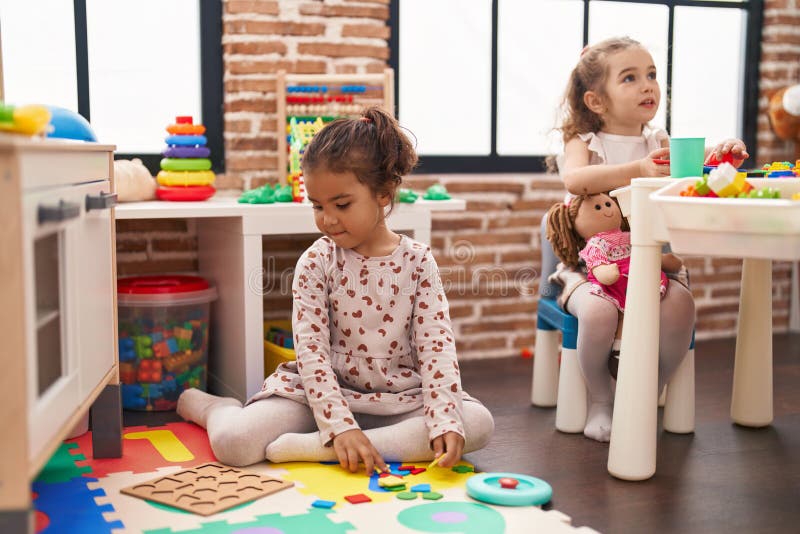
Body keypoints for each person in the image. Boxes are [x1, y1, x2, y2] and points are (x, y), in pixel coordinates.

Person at [177, 106, 494, 474]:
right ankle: (216, 408)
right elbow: (311, 354)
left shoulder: (419, 262)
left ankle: (324, 448)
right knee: (235, 443)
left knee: (475, 422)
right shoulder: (316, 261)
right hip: (318, 394)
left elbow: (436, 347)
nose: (327, 219)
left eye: (341, 205)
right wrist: (338, 423)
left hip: (400, 396)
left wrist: (443, 419)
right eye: (317, 206)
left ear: (384, 193)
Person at [541, 36, 748, 442]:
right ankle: (601, 398)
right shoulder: (585, 144)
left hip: (647, 265)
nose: (648, 85)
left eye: (651, 75)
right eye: (630, 78)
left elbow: (695, 160)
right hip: (589, 269)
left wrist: (722, 152)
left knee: (680, 306)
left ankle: (646, 391)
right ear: (597, 101)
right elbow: (575, 179)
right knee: (599, 314)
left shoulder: (659, 142)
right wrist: (636, 168)